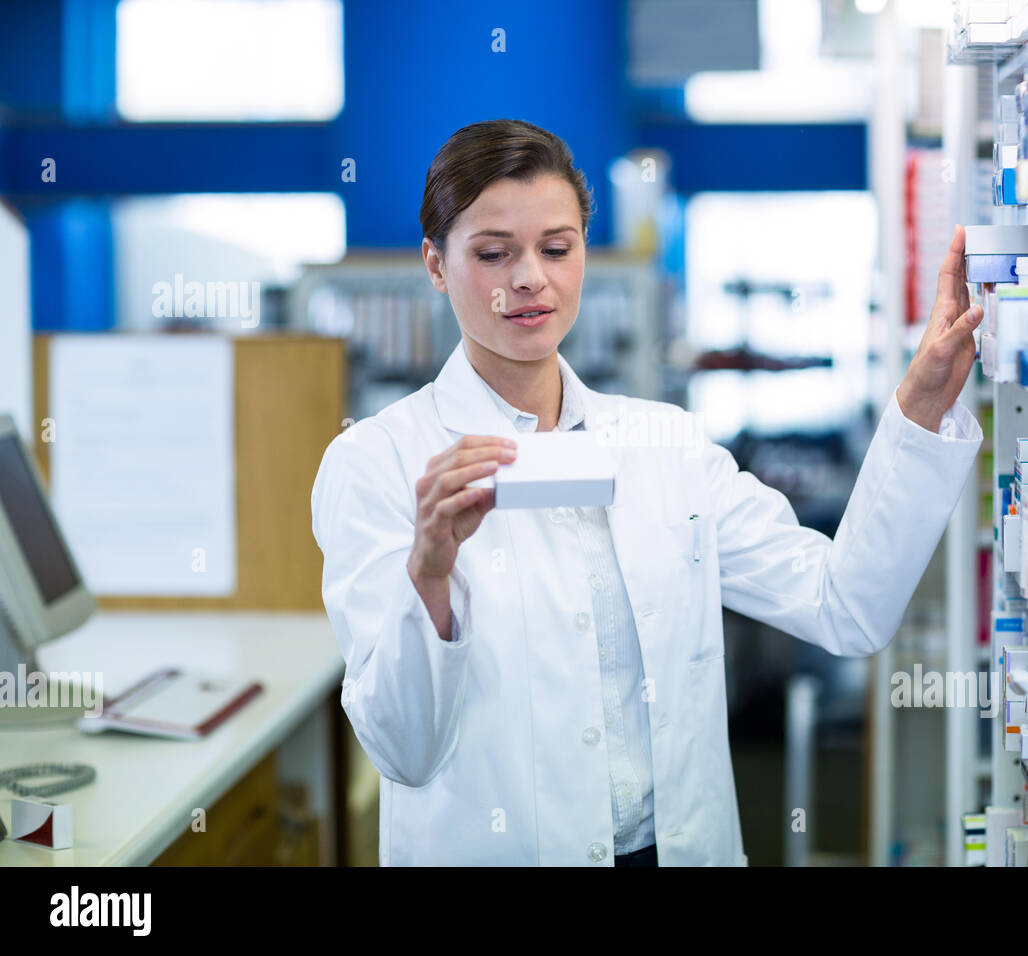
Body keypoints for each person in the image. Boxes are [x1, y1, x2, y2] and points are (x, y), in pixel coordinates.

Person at [310, 118, 985, 866]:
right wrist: (428, 574)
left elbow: (846, 607)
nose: (530, 277)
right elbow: (403, 750)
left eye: (556, 249)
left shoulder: (667, 446)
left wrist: (917, 415)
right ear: (436, 265)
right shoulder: (377, 462)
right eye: (494, 253)